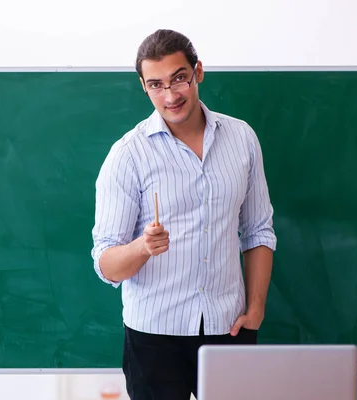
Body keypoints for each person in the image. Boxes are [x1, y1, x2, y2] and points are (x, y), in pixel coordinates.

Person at [91, 29, 277, 400]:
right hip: (154, 336)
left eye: (179, 78)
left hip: (230, 328)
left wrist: (256, 309)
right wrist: (142, 248)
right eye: (156, 85)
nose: (170, 95)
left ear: (198, 72)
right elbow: (106, 265)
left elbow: (258, 231)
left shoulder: (242, 139)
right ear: (144, 87)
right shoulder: (128, 155)